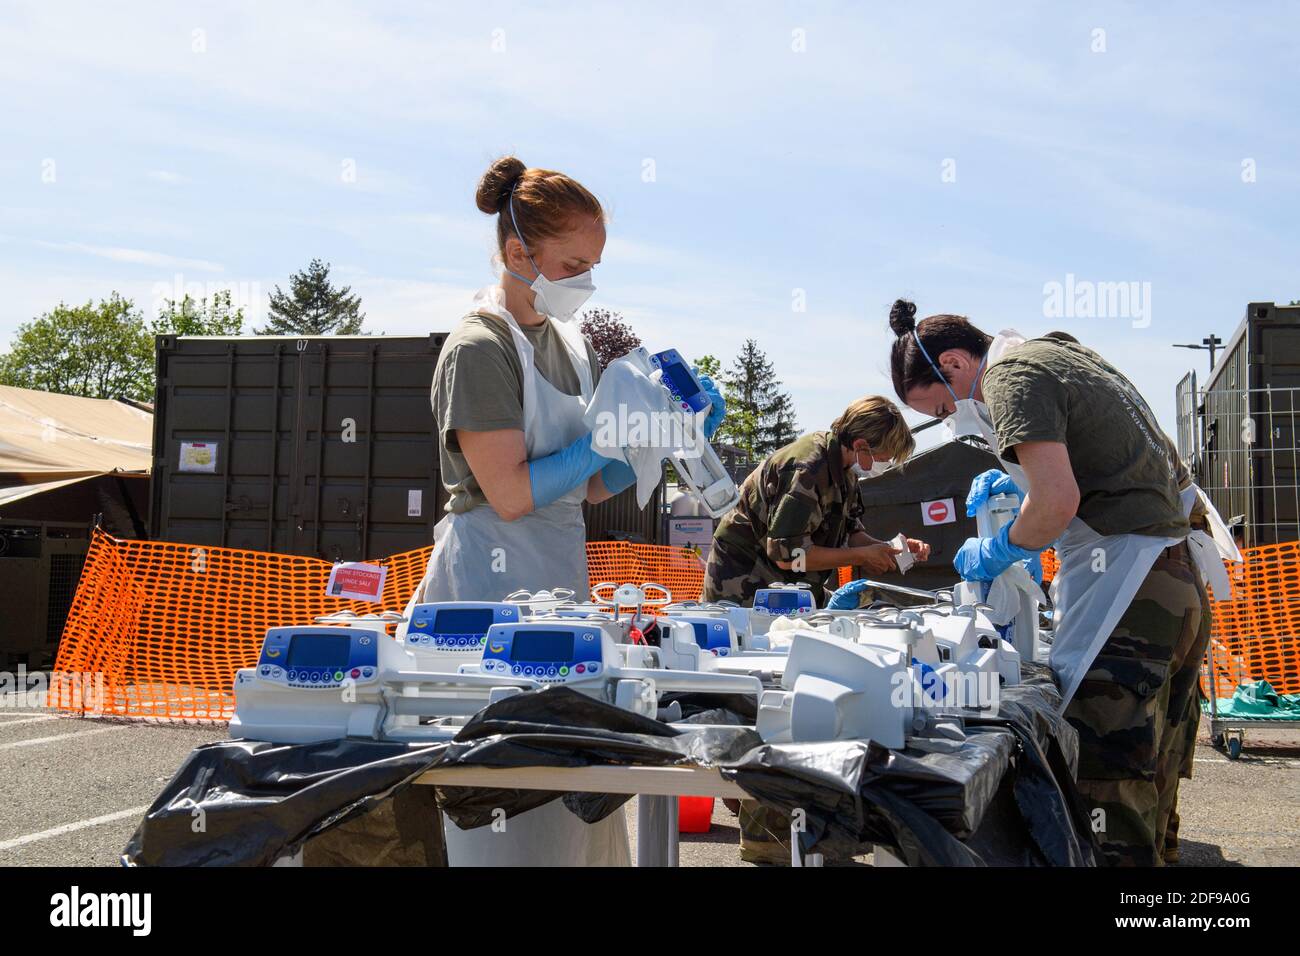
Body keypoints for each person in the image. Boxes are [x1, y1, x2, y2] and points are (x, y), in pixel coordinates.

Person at [408, 155, 723, 866]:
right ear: (519, 254)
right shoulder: (479, 347)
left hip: (556, 582)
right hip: (486, 585)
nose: (584, 283)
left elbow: (587, 490)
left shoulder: (569, 346)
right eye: (573, 264)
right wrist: (605, 440)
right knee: (506, 807)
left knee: (572, 814)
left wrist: (655, 438)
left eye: (593, 267)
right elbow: (513, 493)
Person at [885, 298, 1209, 867]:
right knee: (1152, 761)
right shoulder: (1063, 354)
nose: (949, 419)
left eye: (939, 407)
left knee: (1106, 769)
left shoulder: (1012, 376)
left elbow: (1057, 502)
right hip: (1177, 577)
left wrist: (1001, 547)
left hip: (1130, 584)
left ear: (956, 364)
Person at [702, 396, 930, 608]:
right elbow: (789, 556)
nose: (885, 464)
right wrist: (863, 556)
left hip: (787, 586)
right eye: (883, 458)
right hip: (744, 586)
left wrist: (891, 549)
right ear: (861, 446)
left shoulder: (845, 471)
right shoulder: (806, 472)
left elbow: (850, 534)